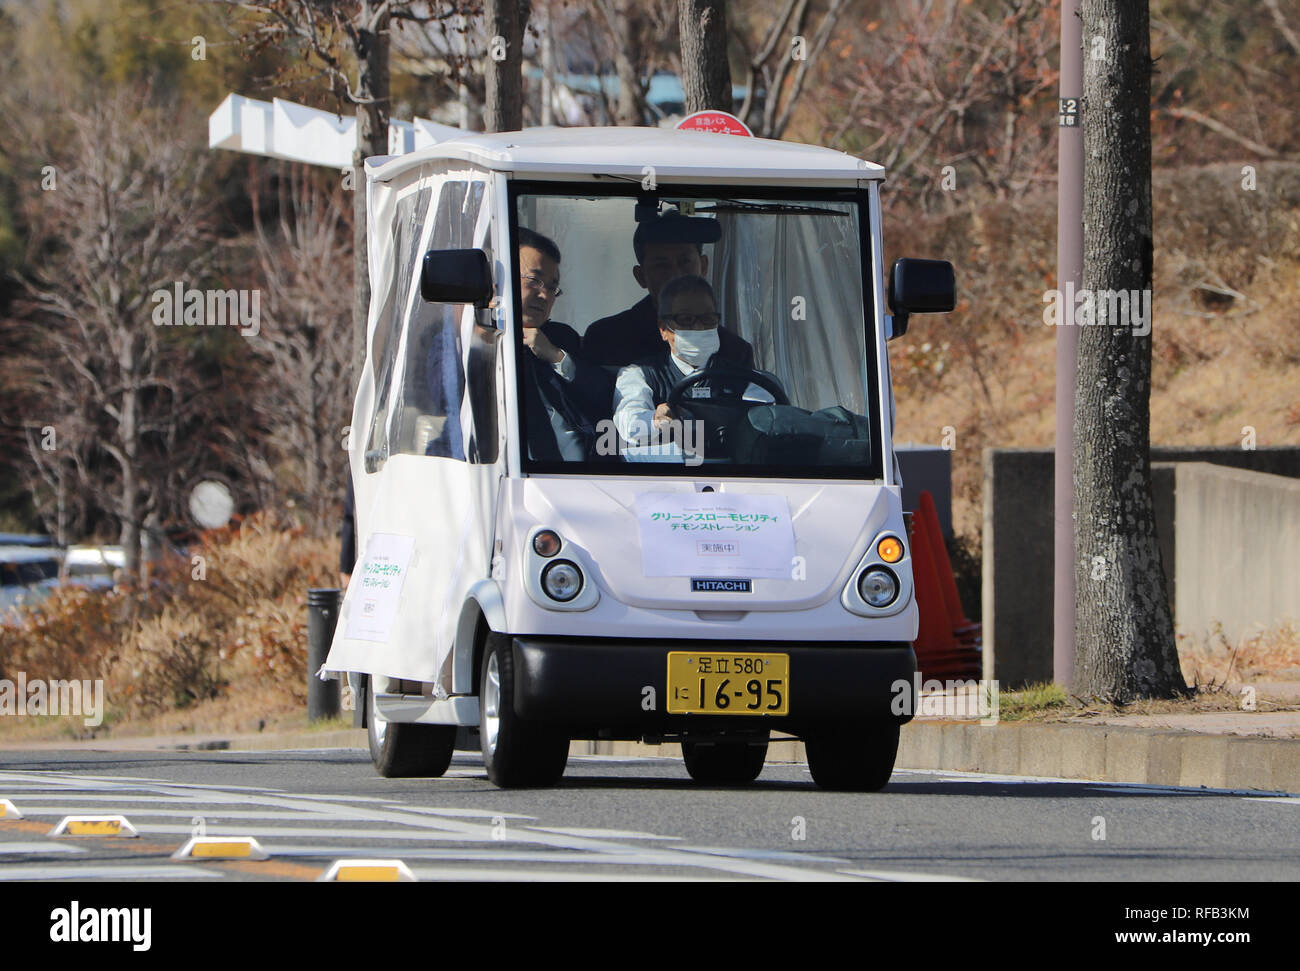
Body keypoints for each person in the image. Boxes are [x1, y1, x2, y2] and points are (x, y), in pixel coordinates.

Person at [613, 275, 774, 453]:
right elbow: (628, 422)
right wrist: (655, 419)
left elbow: (767, 422)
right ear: (663, 329)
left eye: (708, 319)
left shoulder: (747, 378)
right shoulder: (639, 374)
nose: (698, 328)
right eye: (685, 319)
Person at [582, 209, 753, 369]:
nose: (675, 274)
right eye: (661, 266)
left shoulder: (734, 352)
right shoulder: (606, 339)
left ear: (703, 266)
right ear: (640, 276)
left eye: (684, 262)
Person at [516, 228, 614, 461]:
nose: (544, 295)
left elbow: (605, 394)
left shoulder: (561, 338)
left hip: (588, 475)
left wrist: (556, 356)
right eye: (534, 281)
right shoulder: (475, 341)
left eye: (552, 287)